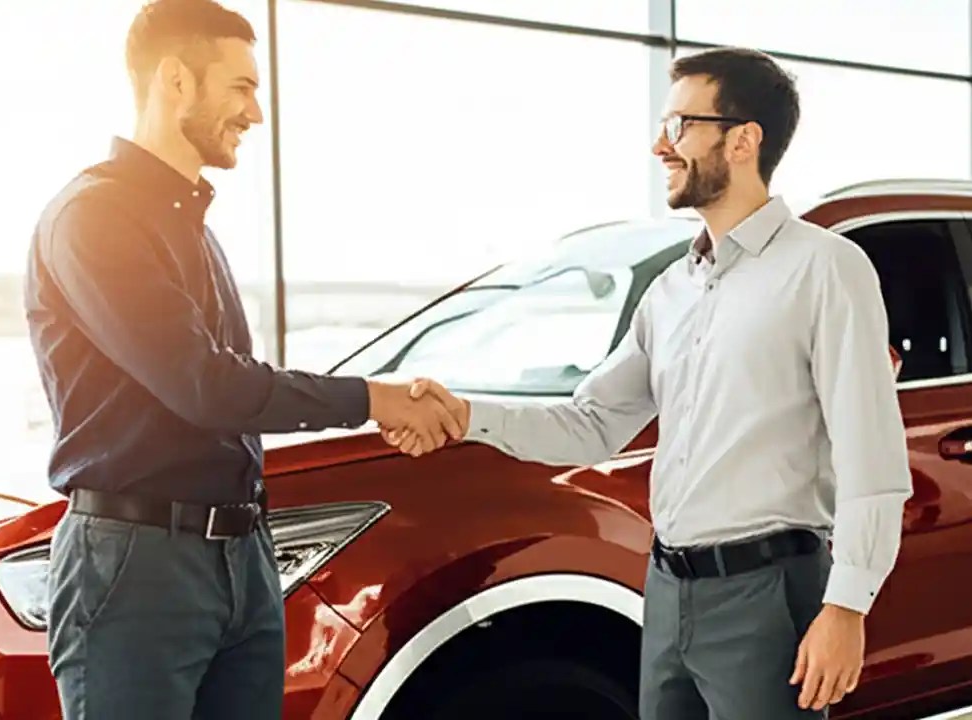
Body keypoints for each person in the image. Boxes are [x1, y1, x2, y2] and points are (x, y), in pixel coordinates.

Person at [386, 47, 913, 720]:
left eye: (682, 124)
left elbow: (874, 458)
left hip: (767, 593)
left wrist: (847, 606)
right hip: (666, 589)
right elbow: (592, 422)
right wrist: (464, 413)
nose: (660, 144)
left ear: (744, 139)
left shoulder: (826, 269)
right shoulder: (671, 291)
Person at [23, 1, 461, 717]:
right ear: (175, 81)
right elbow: (206, 386)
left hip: (241, 556)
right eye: (241, 87)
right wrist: (376, 401)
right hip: (140, 567)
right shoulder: (94, 218)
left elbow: (226, 392)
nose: (255, 114)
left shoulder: (190, 226)